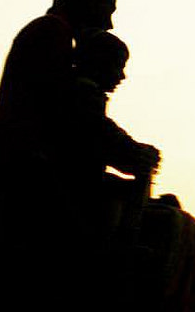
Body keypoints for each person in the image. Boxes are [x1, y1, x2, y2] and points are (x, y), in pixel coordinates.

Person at [0, 0, 117, 194]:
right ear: (85, 2)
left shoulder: (53, 32)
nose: (109, 25)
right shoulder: (52, 32)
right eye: (106, 11)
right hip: (23, 157)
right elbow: (65, 111)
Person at [63, 29, 160, 238]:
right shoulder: (82, 95)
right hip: (74, 186)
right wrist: (137, 154)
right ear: (100, 63)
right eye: (119, 67)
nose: (122, 76)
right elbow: (100, 133)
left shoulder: (82, 94)